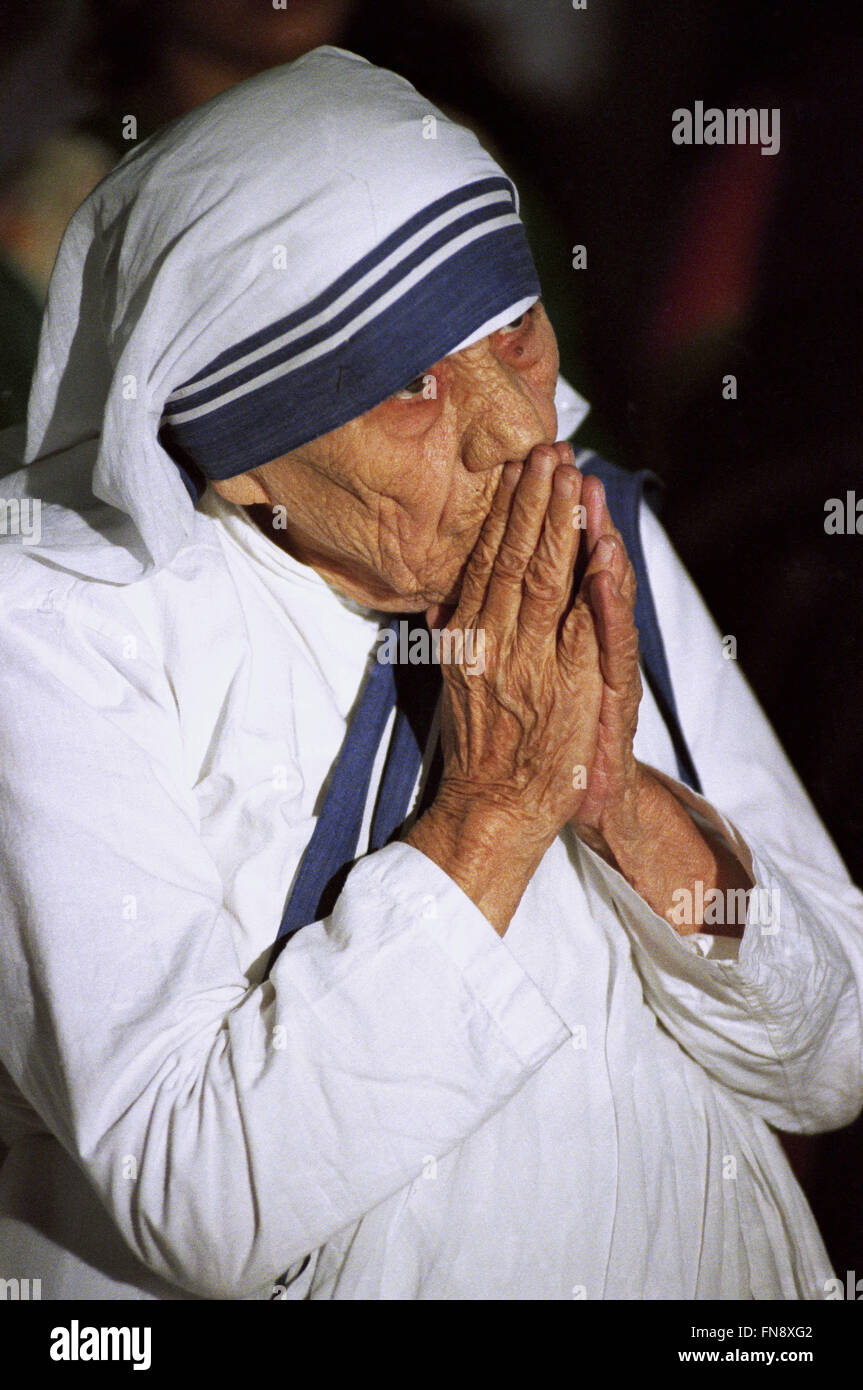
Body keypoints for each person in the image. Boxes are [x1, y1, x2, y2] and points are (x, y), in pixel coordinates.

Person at [0, 47, 860, 1302]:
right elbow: (204, 1197)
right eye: (412, 387)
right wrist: (497, 811)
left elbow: (831, 1054)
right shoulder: (54, 624)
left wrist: (612, 792)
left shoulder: (582, 514)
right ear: (241, 458)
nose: (523, 430)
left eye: (514, 331)